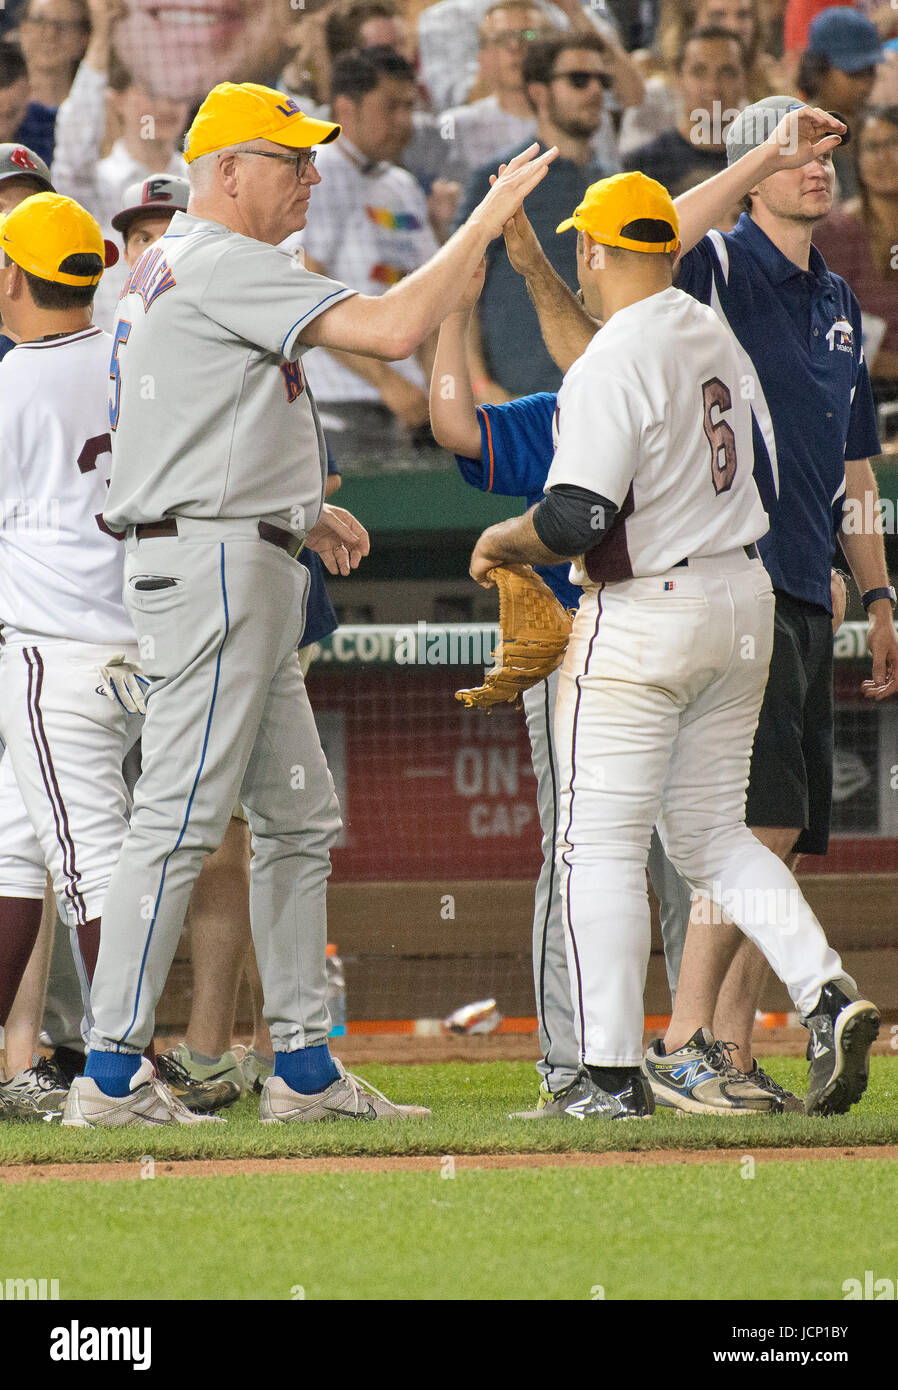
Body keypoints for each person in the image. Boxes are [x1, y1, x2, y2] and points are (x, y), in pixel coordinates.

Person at [60, 80, 557, 1128]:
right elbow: (389, 330)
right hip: (214, 567)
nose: (311, 174)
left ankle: (303, 1070)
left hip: (237, 551)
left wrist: (298, 509)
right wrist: (480, 215)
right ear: (227, 171)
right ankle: (108, 1079)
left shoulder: (176, 266)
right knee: (184, 814)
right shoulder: (218, 257)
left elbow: (212, 408)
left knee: (294, 813)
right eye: (291, 159)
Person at [489, 99, 898, 1112]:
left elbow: (578, 515)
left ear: (590, 250)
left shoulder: (617, 355)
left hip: (650, 608)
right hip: (748, 596)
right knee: (718, 837)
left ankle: (611, 1073)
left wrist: (503, 541)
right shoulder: (714, 333)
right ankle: (822, 986)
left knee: (600, 845)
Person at [430, 259, 726, 1113]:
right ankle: (575, 1063)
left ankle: (687, 1049)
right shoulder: (565, 409)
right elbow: (455, 426)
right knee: (587, 853)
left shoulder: (683, 406)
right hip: (580, 659)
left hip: (676, 643)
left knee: (682, 855)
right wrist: (455, 313)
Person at [0, 193, 151, 1119]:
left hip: (53, 654)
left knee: (88, 859)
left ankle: (122, 1072)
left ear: (12, 274)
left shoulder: (11, 383)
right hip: (135, 641)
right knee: (15, 850)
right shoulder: (135, 360)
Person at [295, 47, 440, 456]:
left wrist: (434, 390)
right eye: (390, 107)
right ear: (345, 107)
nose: (404, 121)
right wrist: (389, 382)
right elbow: (305, 296)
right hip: (337, 404)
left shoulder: (402, 185)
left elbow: (430, 296)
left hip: (410, 407)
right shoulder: (315, 173)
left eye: (409, 107)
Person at [455, 33, 612, 402]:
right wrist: (480, 387)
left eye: (601, 81)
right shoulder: (500, 181)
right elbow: (457, 288)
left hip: (600, 402)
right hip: (517, 407)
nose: (595, 91)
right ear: (539, 92)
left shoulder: (618, 186)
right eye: (578, 80)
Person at [51, 1, 190, 329]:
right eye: (153, 92)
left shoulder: (203, 185)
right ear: (117, 100)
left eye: (176, 93)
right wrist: (100, 37)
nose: (166, 106)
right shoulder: (93, 190)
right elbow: (74, 143)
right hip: (114, 357)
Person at [813, 103, 898, 396]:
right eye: (873, 147)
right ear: (858, 159)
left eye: (894, 144)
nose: (886, 158)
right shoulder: (833, 233)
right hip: (859, 390)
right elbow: (827, 328)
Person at [622, 25, 747, 189]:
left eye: (727, 72)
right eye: (699, 72)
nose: (712, 86)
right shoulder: (641, 169)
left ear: (745, 79)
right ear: (678, 79)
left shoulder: (766, 163)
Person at [797, 6, 883, 197]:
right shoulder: (799, 135)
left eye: (870, 72)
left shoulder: (879, 126)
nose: (864, 85)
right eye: (854, 74)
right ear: (819, 70)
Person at [12, 0, 90, 165]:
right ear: (23, 28)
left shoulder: (99, 108)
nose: (50, 34)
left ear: (83, 39)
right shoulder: (6, 106)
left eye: (63, 25)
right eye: (39, 21)